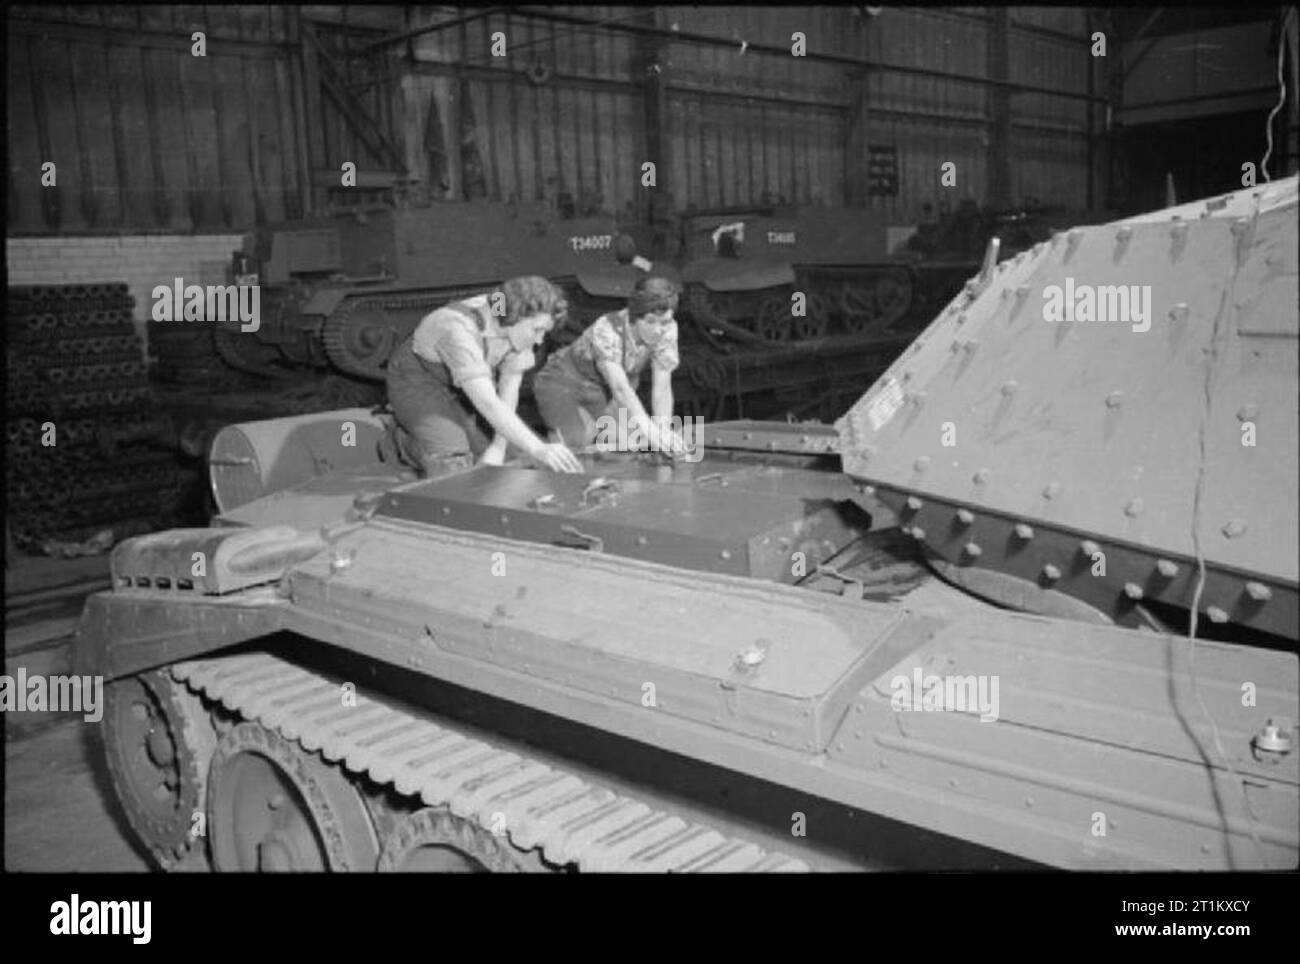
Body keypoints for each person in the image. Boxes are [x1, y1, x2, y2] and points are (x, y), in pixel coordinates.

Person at [385, 275, 584, 474]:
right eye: (537, 330)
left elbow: (509, 385)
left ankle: (454, 426)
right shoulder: (458, 328)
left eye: (544, 332)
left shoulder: (514, 323)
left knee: (515, 456)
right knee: (454, 462)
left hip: (465, 384)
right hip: (417, 379)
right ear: (518, 316)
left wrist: (498, 447)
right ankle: (404, 442)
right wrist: (538, 448)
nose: (539, 340)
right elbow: (488, 403)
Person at [532, 275, 688, 457]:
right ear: (634, 317)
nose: (658, 330)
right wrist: (649, 428)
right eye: (650, 321)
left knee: (630, 445)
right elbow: (620, 388)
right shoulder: (608, 328)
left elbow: (662, 386)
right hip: (564, 381)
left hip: (603, 392)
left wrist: (663, 431)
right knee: (576, 445)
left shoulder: (668, 329)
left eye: (665, 322)